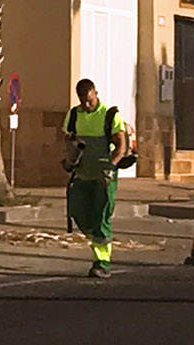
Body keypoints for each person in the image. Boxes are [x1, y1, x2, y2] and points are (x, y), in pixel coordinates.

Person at [62, 77, 129, 277]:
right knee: (77, 211)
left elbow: (120, 145)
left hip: (103, 177)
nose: (86, 104)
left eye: (89, 100)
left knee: (101, 217)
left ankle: (102, 262)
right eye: (82, 100)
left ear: (96, 94)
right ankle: (96, 237)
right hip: (82, 174)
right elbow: (69, 139)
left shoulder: (110, 115)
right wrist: (70, 159)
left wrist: (111, 166)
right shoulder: (74, 114)